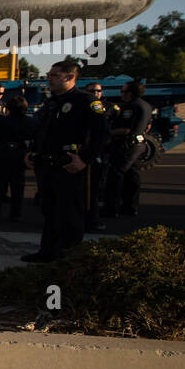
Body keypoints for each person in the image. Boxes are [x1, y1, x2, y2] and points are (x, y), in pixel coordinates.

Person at [21, 59, 107, 263]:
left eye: (53, 75)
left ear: (70, 77)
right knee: (49, 210)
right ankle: (48, 252)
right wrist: (32, 152)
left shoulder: (86, 101)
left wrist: (84, 159)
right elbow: (42, 131)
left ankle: (68, 258)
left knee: (70, 213)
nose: (48, 78)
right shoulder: (52, 102)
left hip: (69, 166)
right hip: (47, 164)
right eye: (49, 75)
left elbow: (102, 134)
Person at [102, 79, 152, 218]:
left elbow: (125, 129)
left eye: (124, 91)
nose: (121, 94)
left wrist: (108, 133)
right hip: (139, 144)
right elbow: (148, 126)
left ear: (131, 93)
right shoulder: (146, 106)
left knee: (115, 177)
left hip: (126, 145)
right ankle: (130, 207)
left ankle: (111, 209)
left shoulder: (130, 107)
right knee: (132, 176)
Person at [0, 95, 33, 222]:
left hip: (2, 156)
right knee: (18, 188)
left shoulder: (1, 121)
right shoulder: (31, 122)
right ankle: (16, 214)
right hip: (21, 156)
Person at [81, 81, 110, 232]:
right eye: (91, 90)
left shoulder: (107, 108)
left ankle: (92, 220)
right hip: (81, 153)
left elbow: (105, 131)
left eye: (98, 91)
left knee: (94, 190)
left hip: (97, 153)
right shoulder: (82, 105)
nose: (95, 93)